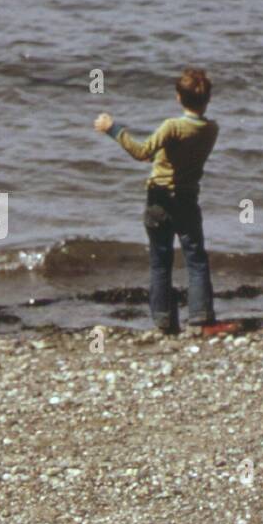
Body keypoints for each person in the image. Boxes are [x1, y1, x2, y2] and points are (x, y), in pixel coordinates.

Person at [94, 68, 221, 335]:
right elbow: (174, 156)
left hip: (160, 199)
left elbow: (142, 153)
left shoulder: (172, 126)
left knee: (160, 260)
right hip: (188, 198)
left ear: (178, 98)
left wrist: (112, 129)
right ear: (207, 99)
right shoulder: (211, 129)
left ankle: (164, 320)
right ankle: (200, 317)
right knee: (196, 258)